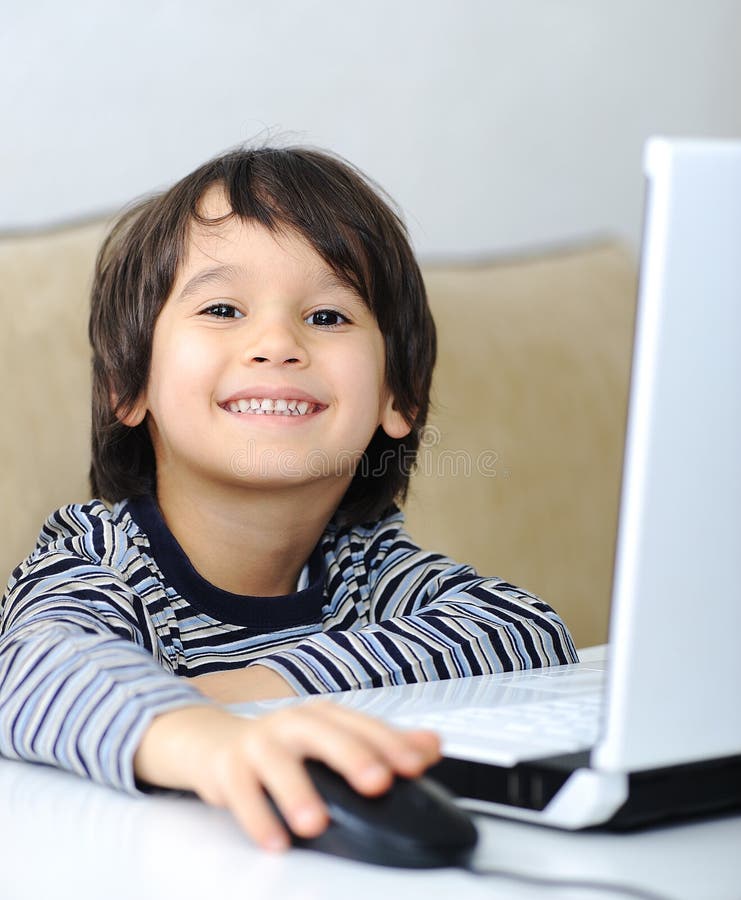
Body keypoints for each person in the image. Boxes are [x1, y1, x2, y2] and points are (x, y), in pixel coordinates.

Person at [0, 145, 577, 852]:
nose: (277, 343)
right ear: (129, 386)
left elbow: (524, 630)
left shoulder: (367, 568)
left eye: (328, 317)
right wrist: (206, 740)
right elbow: (32, 670)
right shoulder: (96, 559)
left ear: (398, 398)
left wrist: (245, 689)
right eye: (221, 308)